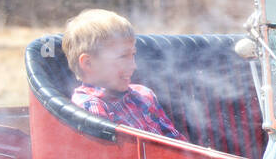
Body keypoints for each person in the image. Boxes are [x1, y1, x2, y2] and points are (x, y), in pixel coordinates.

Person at [61, 8, 186, 141]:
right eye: (123, 56)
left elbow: (176, 142)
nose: (133, 66)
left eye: (132, 55)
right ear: (88, 64)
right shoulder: (90, 106)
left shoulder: (143, 95)